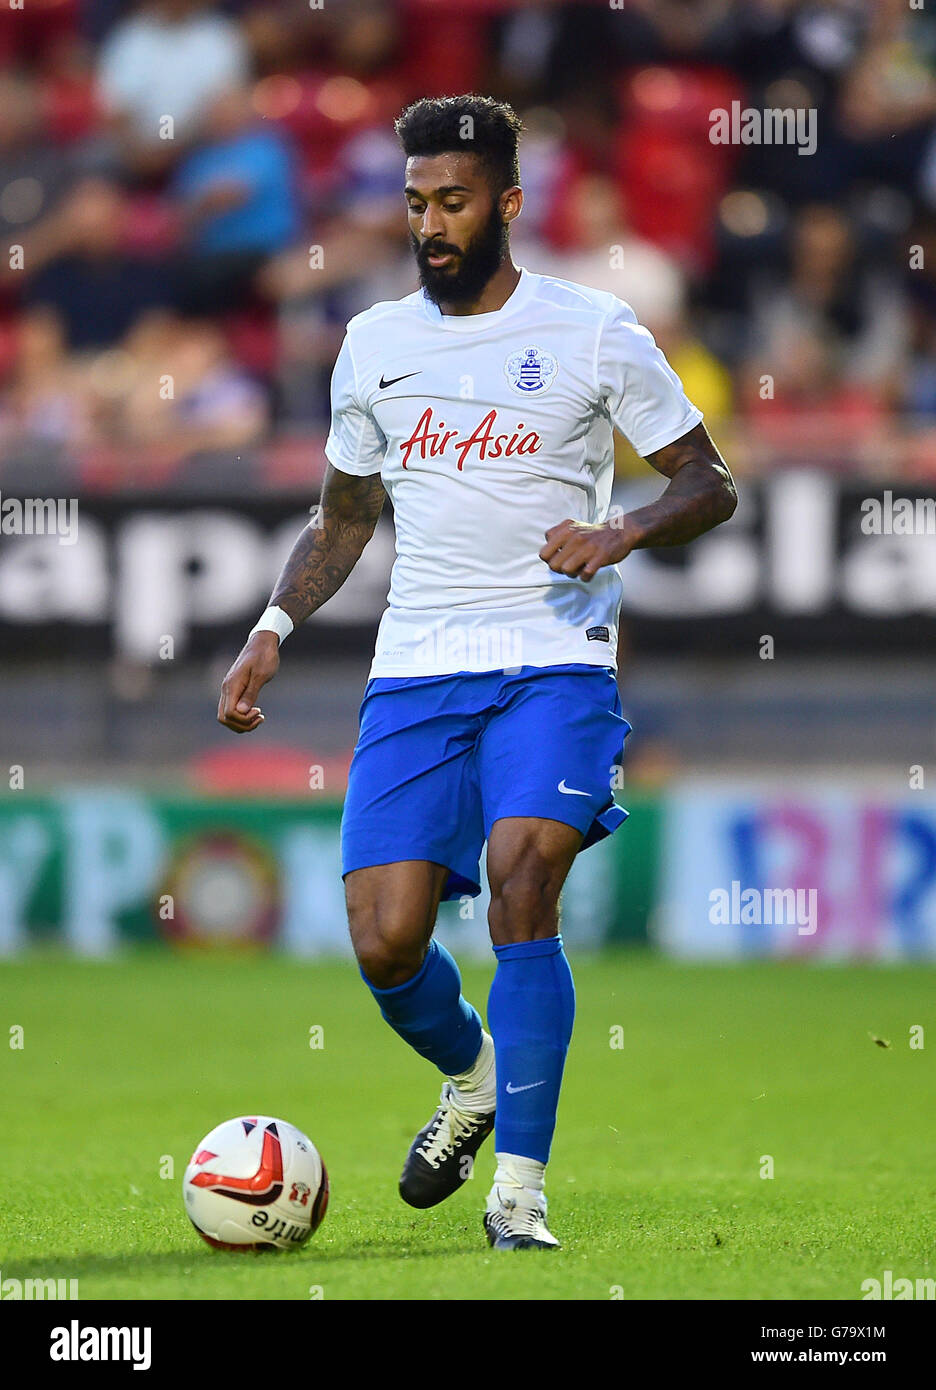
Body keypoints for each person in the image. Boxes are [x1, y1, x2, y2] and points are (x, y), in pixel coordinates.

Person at [217, 95, 737, 1251]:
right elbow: (344, 520)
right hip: (417, 667)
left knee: (522, 875)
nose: (431, 225)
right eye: (415, 204)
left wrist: (624, 533)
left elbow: (712, 483)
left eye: (453, 201)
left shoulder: (598, 328)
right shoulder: (375, 344)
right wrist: (270, 628)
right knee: (386, 939)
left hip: (554, 657)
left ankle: (520, 1192)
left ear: (508, 202)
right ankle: (474, 1075)